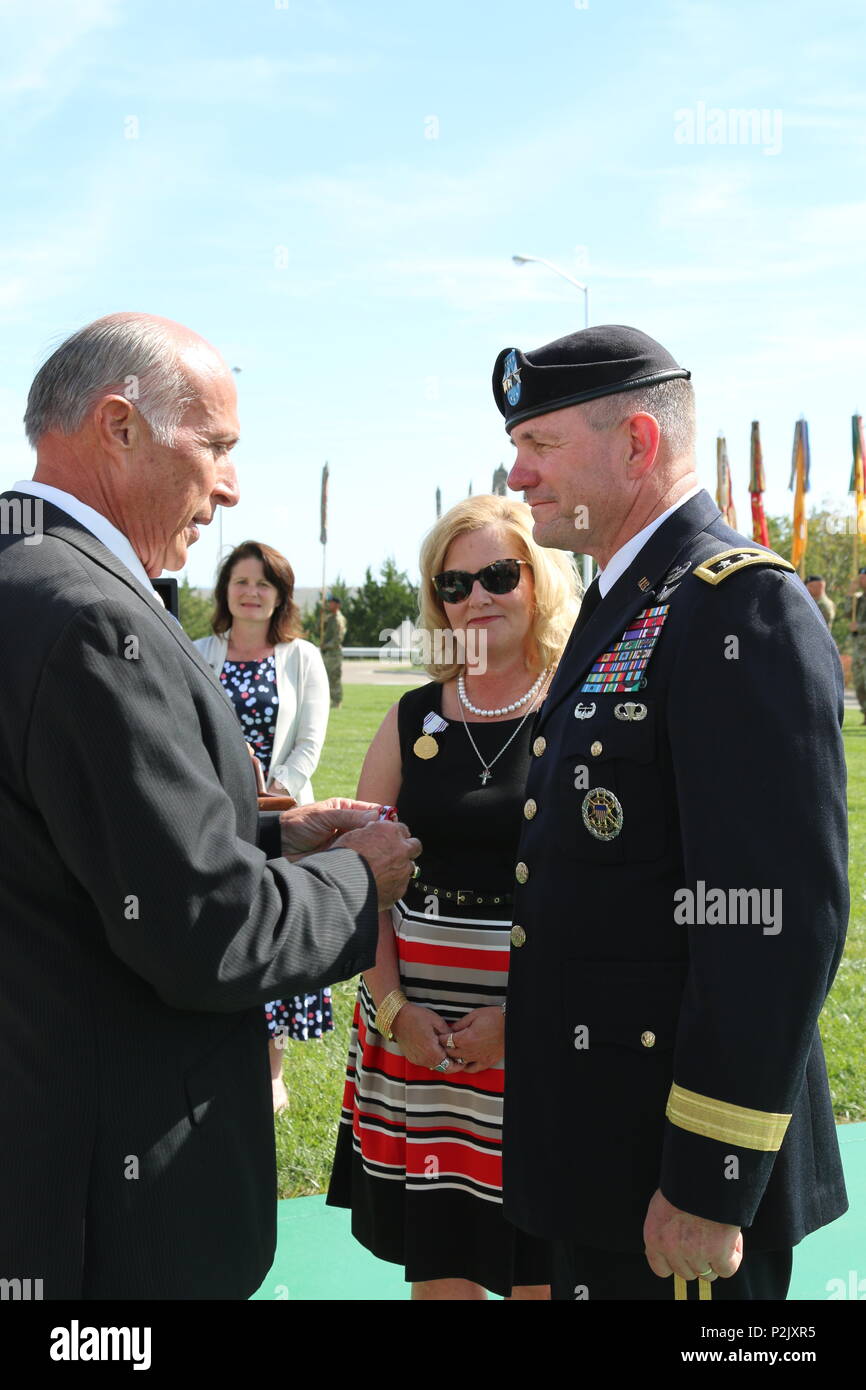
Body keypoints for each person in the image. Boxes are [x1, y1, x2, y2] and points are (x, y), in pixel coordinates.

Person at [0, 313, 419, 1299]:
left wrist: (270, 833)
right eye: (218, 447)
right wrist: (354, 879)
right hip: (114, 1212)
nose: (231, 487)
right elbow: (200, 929)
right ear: (119, 427)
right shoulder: (93, 614)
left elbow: (56, 836)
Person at [490, 324, 849, 1301]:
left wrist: (709, 1178)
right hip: (601, 1151)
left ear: (636, 443)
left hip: (671, 1174)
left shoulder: (736, 608)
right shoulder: (625, 596)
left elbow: (772, 920)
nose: (514, 474)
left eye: (540, 445)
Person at [327, 495, 580, 1300]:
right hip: (419, 1051)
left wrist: (524, 1024)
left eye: (499, 574)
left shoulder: (581, 709)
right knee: (444, 1273)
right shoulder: (408, 719)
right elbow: (361, 878)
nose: (476, 597)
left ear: (538, 581)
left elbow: (604, 898)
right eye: (454, 584)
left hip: (536, 1048)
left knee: (542, 1274)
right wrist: (395, 1009)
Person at [196, 541, 334, 1112]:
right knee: (221, 932)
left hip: (279, 822)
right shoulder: (197, 651)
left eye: (264, 584)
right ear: (225, 590)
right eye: (241, 581)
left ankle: (272, 1068)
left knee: (271, 934)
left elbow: (309, 740)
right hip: (213, 817)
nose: (251, 592)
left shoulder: (301, 657)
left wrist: (270, 796)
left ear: (279, 596)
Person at [321, 594, 347, 707]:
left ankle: (336, 701)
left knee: (334, 677)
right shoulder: (330, 617)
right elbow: (320, 628)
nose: (329, 604)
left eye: (331, 602)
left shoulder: (338, 619)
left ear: (337, 605)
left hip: (334, 653)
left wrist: (326, 645)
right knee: (325, 677)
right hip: (327, 653)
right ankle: (328, 700)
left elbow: (338, 638)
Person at [848, 567, 866, 721]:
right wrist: (850, 594)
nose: (861, 580)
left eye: (864, 577)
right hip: (859, 648)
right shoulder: (859, 598)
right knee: (859, 683)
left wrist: (859, 627)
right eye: (860, 577)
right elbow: (847, 613)